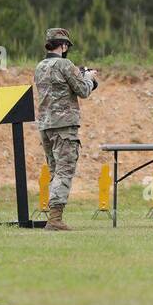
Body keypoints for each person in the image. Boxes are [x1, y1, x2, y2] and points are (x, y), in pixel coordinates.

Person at [33, 27, 99, 231]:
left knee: (55, 171)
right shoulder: (65, 64)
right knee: (64, 171)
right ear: (63, 45)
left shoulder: (40, 66)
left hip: (45, 125)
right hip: (64, 126)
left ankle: (53, 215)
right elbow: (83, 91)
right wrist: (89, 78)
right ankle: (55, 219)